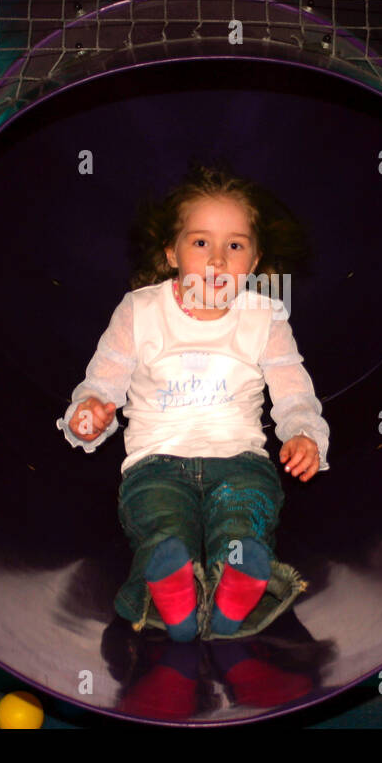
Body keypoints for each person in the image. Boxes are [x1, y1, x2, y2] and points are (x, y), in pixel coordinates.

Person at [55, 161, 330, 642]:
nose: (218, 260)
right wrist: (89, 414)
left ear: (256, 260)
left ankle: (235, 586)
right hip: (155, 465)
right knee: (164, 529)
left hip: (241, 463)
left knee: (243, 520)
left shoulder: (264, 316)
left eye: (236, 245)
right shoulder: (140, 310)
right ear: (171, 252)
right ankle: (171, 594)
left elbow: (294, 393)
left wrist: (305, 434)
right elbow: (101, 384)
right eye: (201, 242)